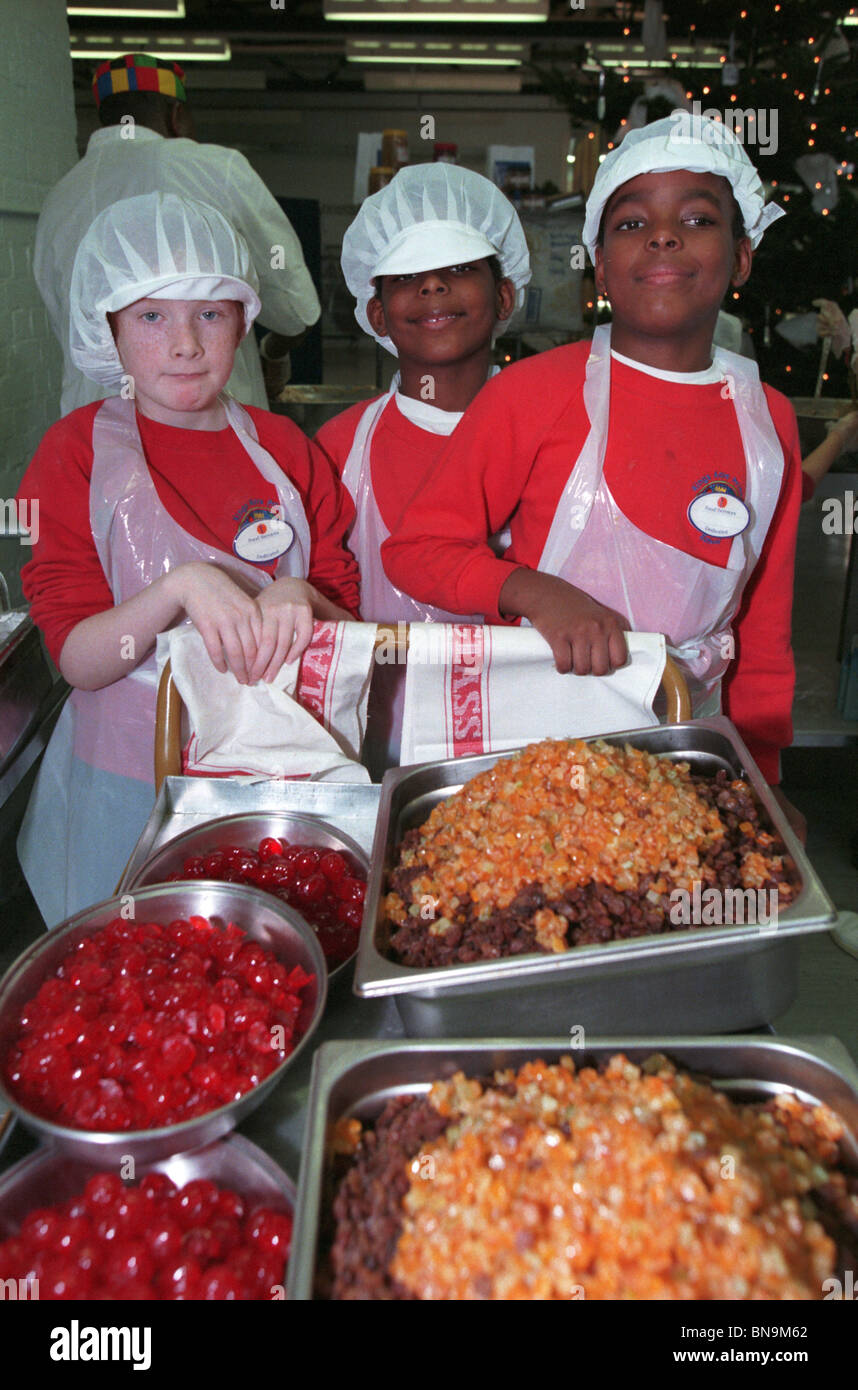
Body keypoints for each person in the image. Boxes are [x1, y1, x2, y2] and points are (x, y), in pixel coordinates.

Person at [382, 114, 804, 831]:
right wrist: (533, 591)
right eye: (632, 223)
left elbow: (762, 632)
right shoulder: (534, 394)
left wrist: (759, 777)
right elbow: (416, 550)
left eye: (697, 218)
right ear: (600, 266)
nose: (664, 236)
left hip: (690, 762)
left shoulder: (768, 419)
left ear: (741, 257)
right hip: (537, 758)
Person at [16, 193, 358, 927]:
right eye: (150, 316)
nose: (184, 344)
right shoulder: (76, 453)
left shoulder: (287, 449)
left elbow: (345, 618)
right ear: (106, 329)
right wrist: (182, 587)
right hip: (125, 794)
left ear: (243, 320)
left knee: (270, 962)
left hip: (276, 776)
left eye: (210, 313)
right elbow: (78, 658)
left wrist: (300, 593)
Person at [314, 164, 530, 771]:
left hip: (531, 738)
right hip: (383, 741)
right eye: (408, 277)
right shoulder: (337, 449)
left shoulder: (554, 432)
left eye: (460, 270)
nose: (433, 288)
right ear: (377, 315)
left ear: (505, 296)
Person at [34, 53, 320, 416]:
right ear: (176, 115)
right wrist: (273, 354)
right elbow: (297, 310)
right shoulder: (217, 168)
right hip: (208, 423)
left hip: (93, 429)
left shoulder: (59, 197)